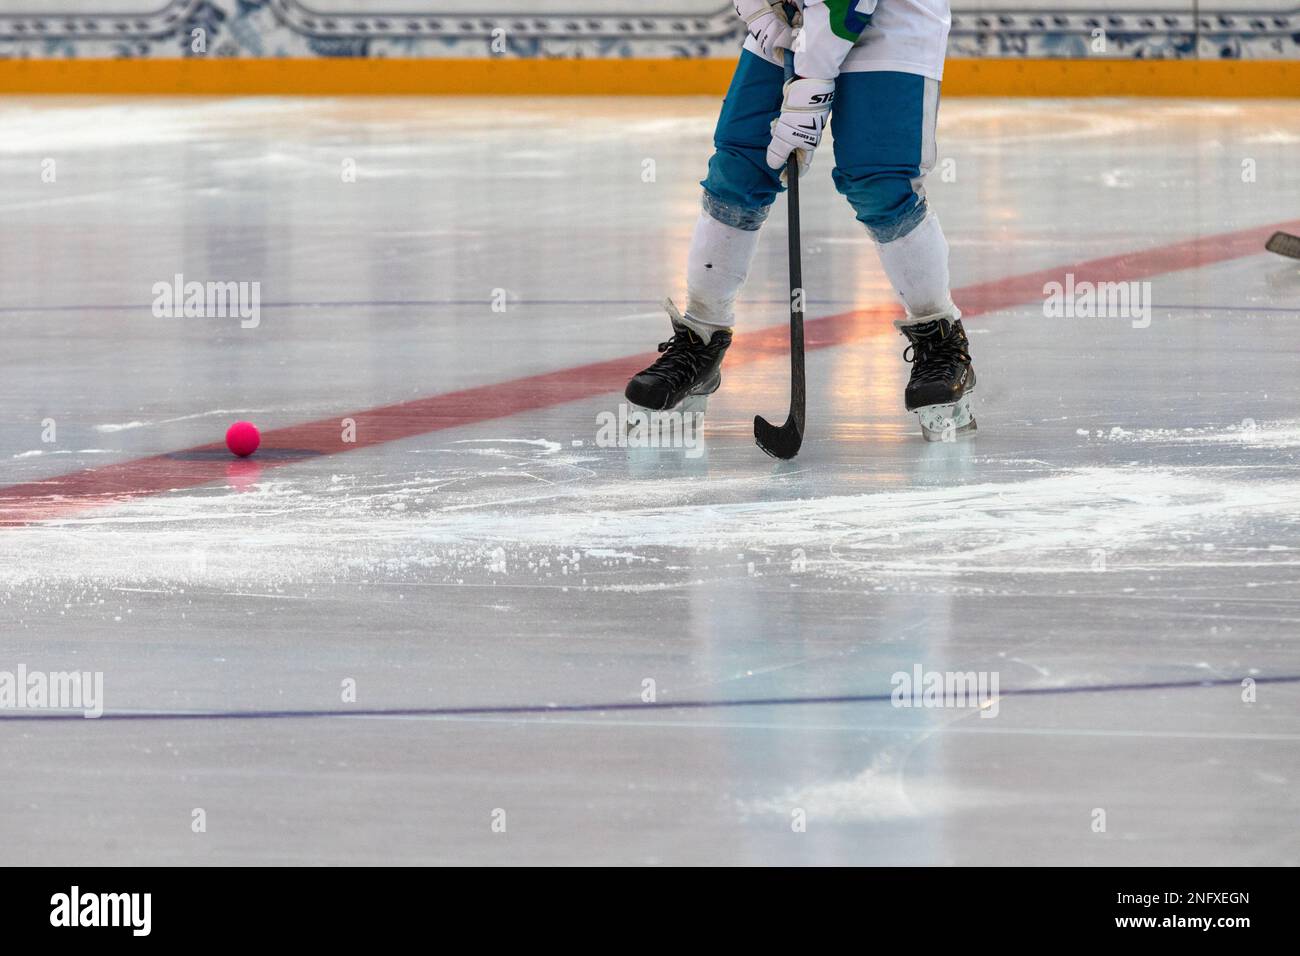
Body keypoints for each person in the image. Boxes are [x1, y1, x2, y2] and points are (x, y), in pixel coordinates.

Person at [624, 0, 975, 441]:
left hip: (891, 18)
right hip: (793, 15)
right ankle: (700, 337)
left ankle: (939, 338)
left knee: (878, 179)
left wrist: (811, 80)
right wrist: (757, 9)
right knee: (739, 167)